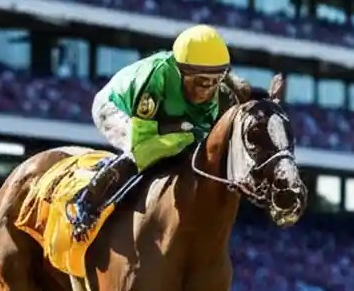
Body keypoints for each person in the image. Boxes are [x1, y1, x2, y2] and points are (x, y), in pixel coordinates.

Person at [67, 24, 236, 240]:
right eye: (200, 81)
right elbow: (142, 139)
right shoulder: (157, 77)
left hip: (169, 119)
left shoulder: (220, 92)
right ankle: (90, 201)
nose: (206, 89)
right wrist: (184, 133)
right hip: (118, 110)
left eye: (214, 81)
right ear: (180, 71)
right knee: (147, 151)